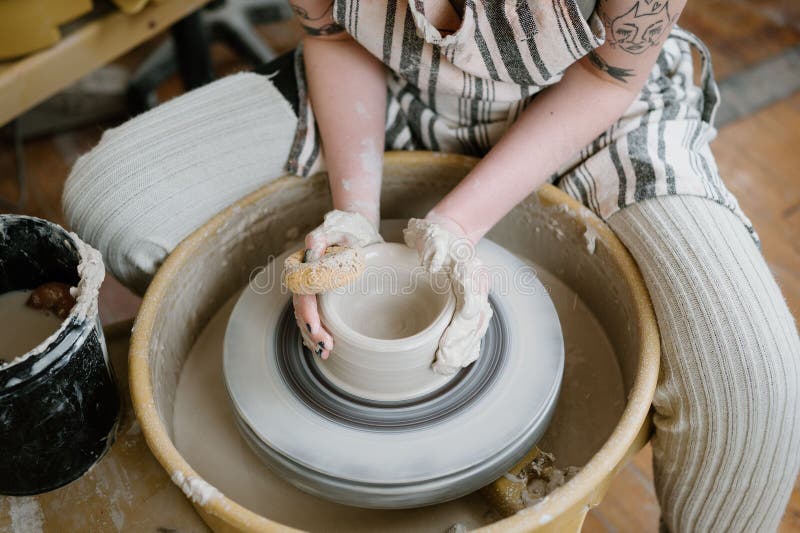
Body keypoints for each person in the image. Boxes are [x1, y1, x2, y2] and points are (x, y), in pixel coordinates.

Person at [63, 0, 800, 529]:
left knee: (755, 386)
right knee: (114, 199)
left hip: (594, 109)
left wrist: (457, 223)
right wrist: (353, 217)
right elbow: (333, 30)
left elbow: (612, 76)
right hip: (393, 89)